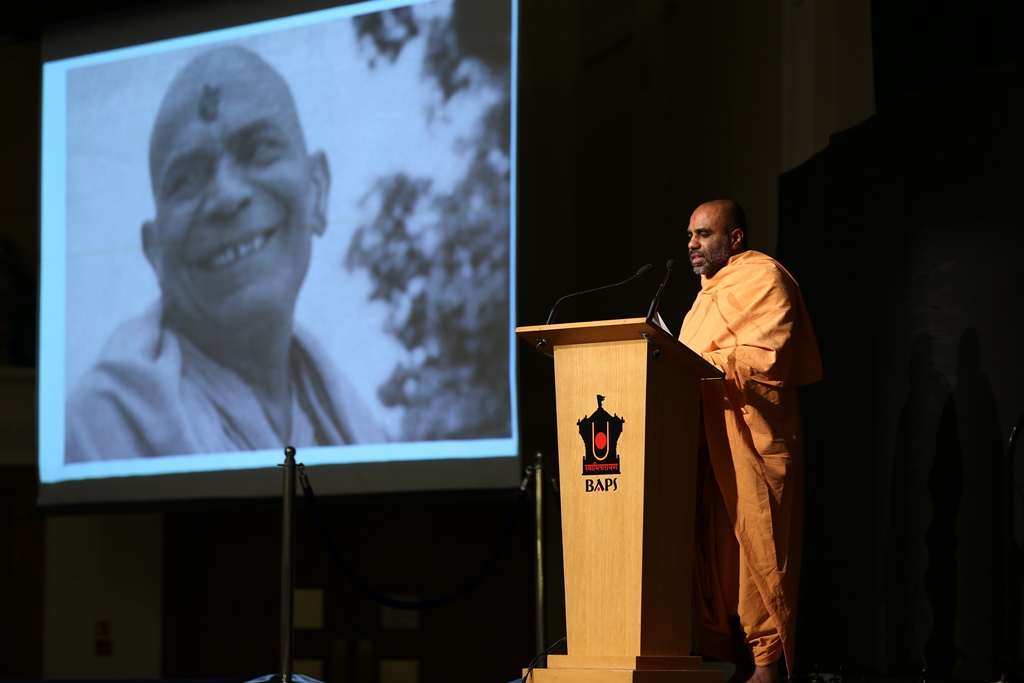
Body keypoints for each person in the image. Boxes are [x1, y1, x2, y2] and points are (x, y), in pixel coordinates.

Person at [65, 46, 383, 462]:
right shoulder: (103, 427)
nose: (227, 197)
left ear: (317, 191)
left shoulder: (360, 430)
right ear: (155, 252)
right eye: (187, 179)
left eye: (257, 151)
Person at [678, 200, 822, 683]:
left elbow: (770, 356)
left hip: (753, 440)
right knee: (717, 555)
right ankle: (738, 656)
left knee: (757, 548)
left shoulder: (764, 279)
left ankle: (768, 665)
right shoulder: (703, 298)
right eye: (691, 236)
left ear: (735, 238)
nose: (692, 244)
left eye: (703, 235)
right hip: (710, 441)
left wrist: (707, 363)